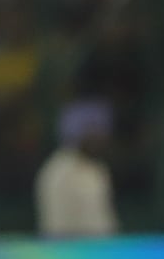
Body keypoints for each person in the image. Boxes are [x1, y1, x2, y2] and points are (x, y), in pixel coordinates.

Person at [33, 99, 120, 237]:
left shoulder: (98, 169)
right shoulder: (58, 170)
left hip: (103, 252)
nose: (101, 138)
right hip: (71, 253)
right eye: (94, 131)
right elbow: (56, 228)